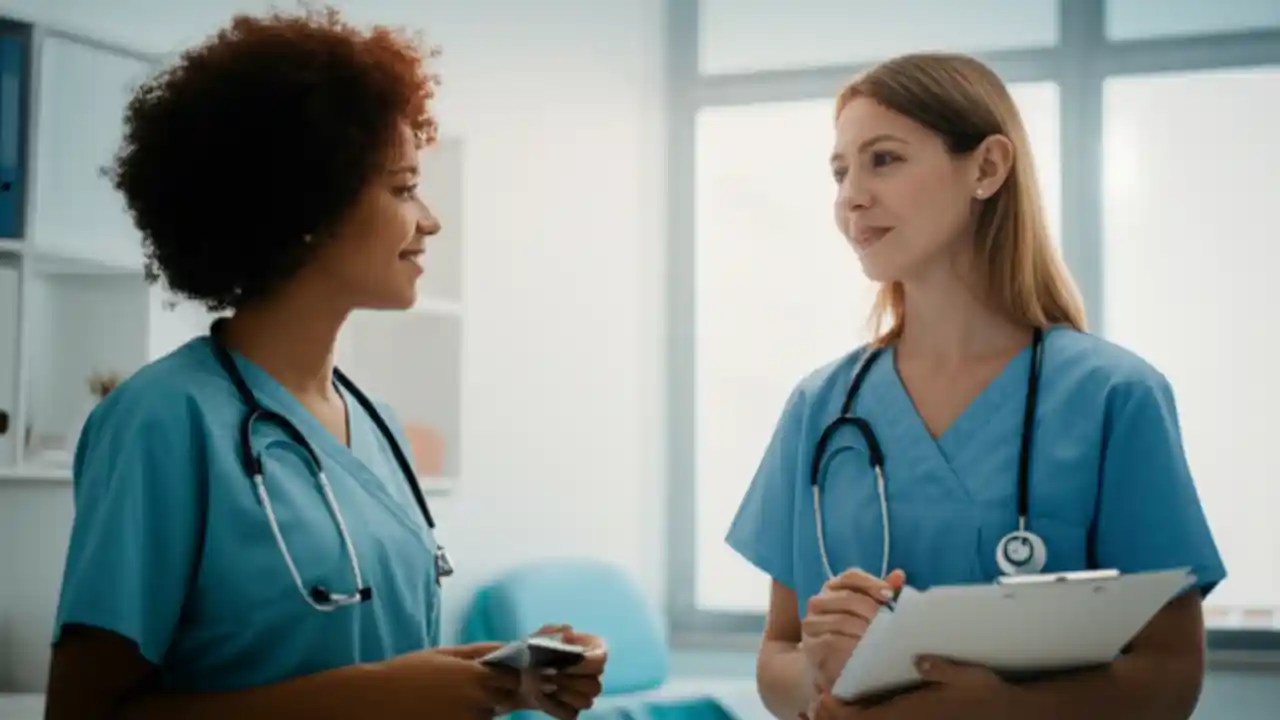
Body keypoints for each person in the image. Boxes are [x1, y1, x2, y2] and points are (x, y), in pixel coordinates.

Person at [45, 8, 605, 719]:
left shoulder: (378, 426)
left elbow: (375, 660)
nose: (429, 219)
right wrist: (376, 699)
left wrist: (501, 677)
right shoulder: (161, 421)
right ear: (309, 201)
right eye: (403, 189)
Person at [725, 53, 1225, 720]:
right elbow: (777, 656)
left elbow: (1169, 675)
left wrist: (1001, 710)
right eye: (840, 171)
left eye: (884, 160)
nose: (850, 196)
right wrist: (818, 678)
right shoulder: (821, 407)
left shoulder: (1113, 398)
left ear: (987, 169)